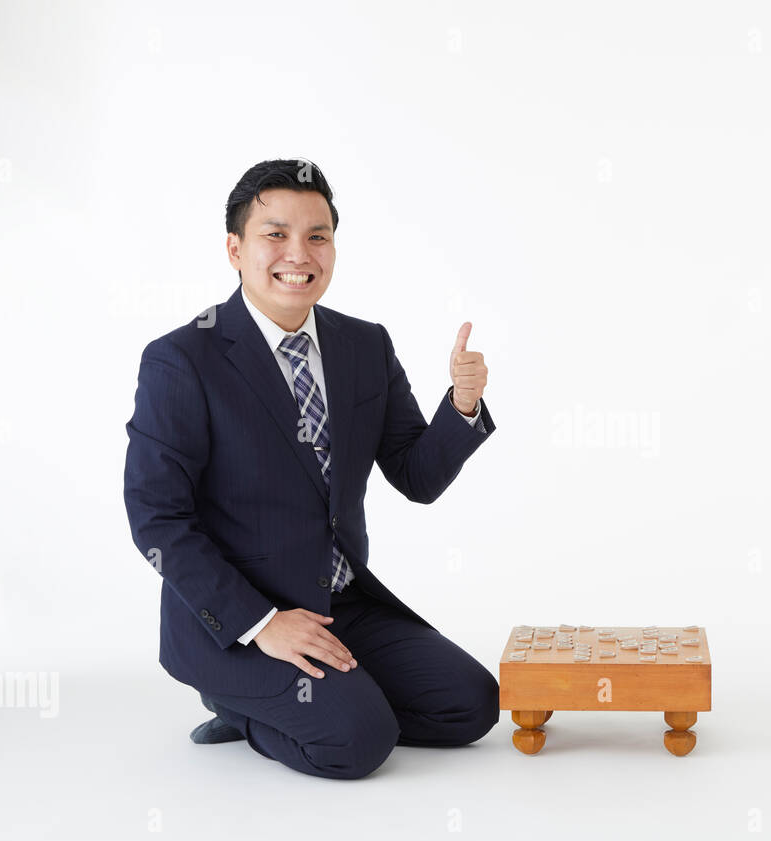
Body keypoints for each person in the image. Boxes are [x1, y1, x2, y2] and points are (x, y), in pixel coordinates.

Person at [123, 158, 498, 779]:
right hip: (244, 620)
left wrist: (461, 405)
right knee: (358, 742)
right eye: (275, 234)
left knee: (473, 705)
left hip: (340, 603)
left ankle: (337, 698)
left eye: (317, 236)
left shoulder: (364, 345)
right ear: (234, 247)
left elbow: (417, 476)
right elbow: (158, 518)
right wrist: (261, 624)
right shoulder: (181, 360)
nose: (299, 253)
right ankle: (238, 703)